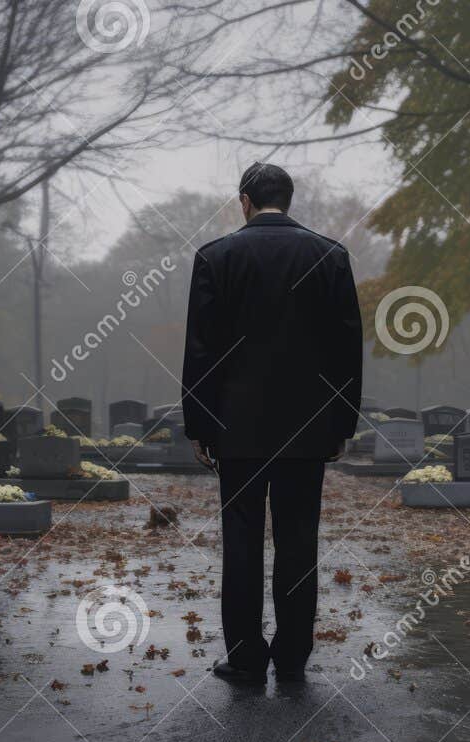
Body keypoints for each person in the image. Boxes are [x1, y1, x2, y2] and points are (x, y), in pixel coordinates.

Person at [181, 162, 364, 685]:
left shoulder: (216, 257)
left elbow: (202, 349)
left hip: (237, 428)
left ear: (244, 200)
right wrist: (342, 423)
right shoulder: (330, 255)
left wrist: (200, 423)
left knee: (241, 542)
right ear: (288, 197)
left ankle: (244, 656)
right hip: (308, 425)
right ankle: (291, 657)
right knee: (298, 540)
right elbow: (346, 347)